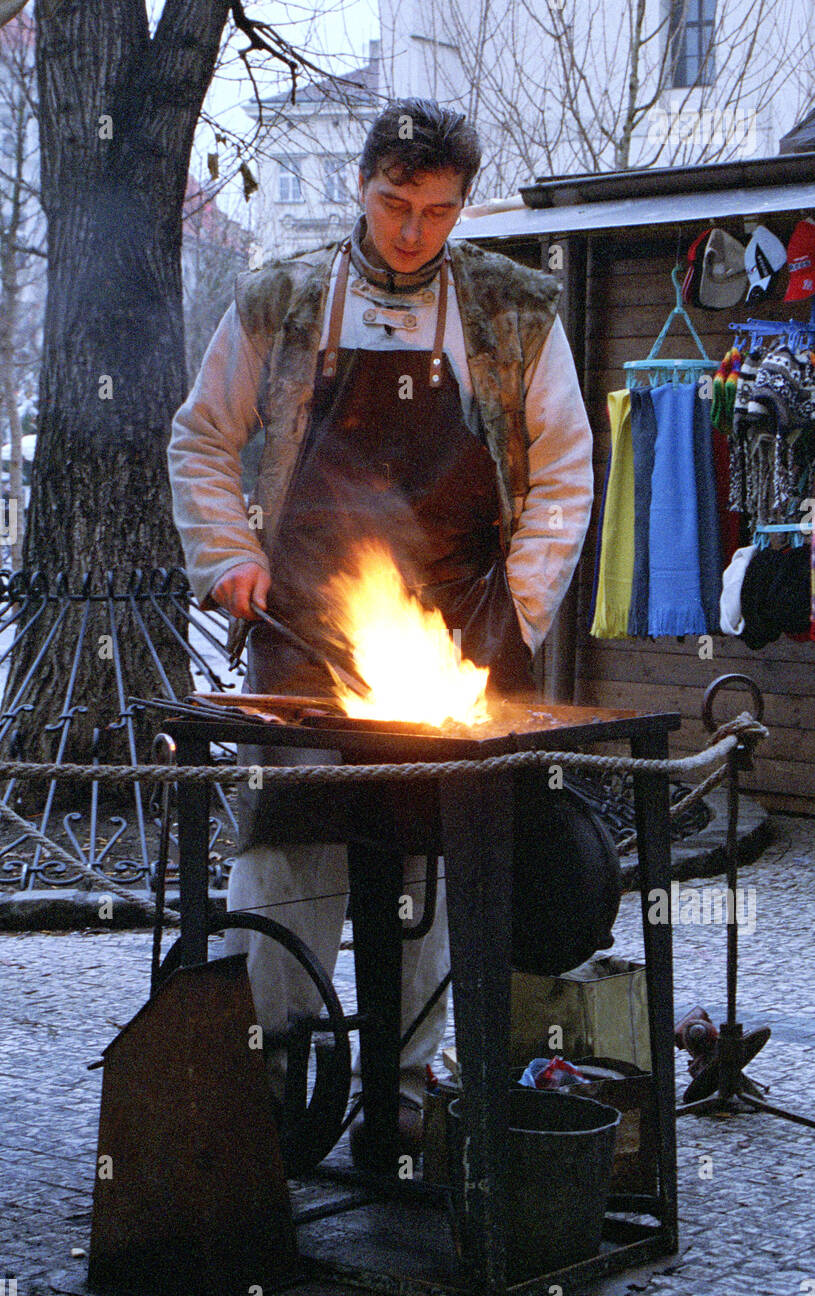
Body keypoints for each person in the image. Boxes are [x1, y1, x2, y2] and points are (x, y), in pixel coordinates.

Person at [167, 98, 594, 1163]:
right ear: (362, 187)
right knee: (285, 852)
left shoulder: (511, 312)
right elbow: (203, 436)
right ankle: (271, 1086)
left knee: (423, 865)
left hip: (446, 642)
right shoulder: (283, 299)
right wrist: (229, 558)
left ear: (460, 207)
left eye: (437, 212)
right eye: (394, 205)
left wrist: (512, 618)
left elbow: (565, 475)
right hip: (302, 638)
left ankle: (399, 1092)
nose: (412, 232)